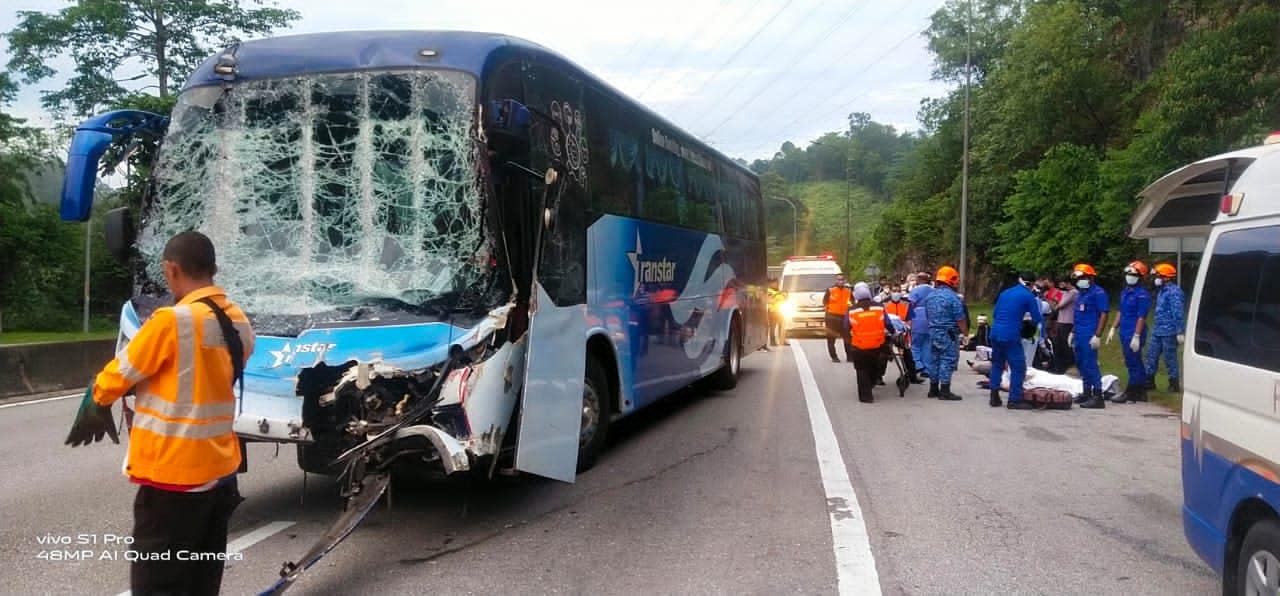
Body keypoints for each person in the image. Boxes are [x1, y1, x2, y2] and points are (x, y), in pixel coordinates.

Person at [65, 231, 253, 596]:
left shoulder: (172, 321)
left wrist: (96, 397)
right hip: (219, 473)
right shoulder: (238, 321)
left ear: (171, 270)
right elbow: (202, 373)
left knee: (158, 584)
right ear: (213, 269)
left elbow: (122, 372)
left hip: (173, 478)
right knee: (201, 582)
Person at [988, 272, 1045, 410]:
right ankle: (1014, 399)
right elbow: (1037, 318)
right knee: (1018, 367)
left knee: (997, 364)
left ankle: (994, 396)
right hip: (1011, 334)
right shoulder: (1028, 295)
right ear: (1032, 284)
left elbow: (995, 314)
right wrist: (1027, 324)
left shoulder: (1005, 293)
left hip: (995, 331)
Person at [1110, 261, 1153, 403]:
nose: (1129, 277)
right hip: (1125, 331)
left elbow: (1141, 316)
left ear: (1140, 277)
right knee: (1134, 361)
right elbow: (1120, 311)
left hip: (1134, 332)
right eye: (1128, 274)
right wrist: (1113, 327)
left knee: (1133, 362)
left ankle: (1132, 392)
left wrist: (1137, 335)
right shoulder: (1125, 292)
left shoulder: (1142, 295)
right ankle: (1141, 391)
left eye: (1133, 275)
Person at [1069, 263, 1111, 409]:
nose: (1079, 281)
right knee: (1080, 362)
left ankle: (1098, 395)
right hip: (1079, 333)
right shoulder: (1081, 293)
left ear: (1090, 278)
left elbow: (1104, 314)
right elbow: (1078, 314)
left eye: (1082, 278)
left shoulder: (1098, 293)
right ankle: (1086, 392)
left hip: (1089, 333)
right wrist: (1073, 331)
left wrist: (1098, 335)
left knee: (1090, 363)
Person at [923, 266, 968, 400]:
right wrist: (965, 333)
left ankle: (933, 389)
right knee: (947, 360)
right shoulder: (953, 298)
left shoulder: (930, 297)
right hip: (948, 334)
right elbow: (960, 319)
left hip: (932, 332)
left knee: (934, 360)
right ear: (952, 280)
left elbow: (927, 316)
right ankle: (945, 391)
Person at [848, 286, 893, 403]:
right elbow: (888, 323)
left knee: (862, 370)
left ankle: (866, 396)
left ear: (856, 296)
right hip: (877, 344)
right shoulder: (879, 307)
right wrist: (893, 332)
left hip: (859, 345)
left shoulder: (851, 310)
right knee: (873, 367)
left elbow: (845, 326)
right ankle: (872, 383)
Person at [1145, 263, 1186, 392]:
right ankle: (1149, 381)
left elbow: (1178, 313)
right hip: (1157, 330)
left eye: (1158, 276)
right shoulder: (1161, 291)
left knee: (1170, 358)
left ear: (1166, 277)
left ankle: (1174, 384)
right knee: (1151, 356)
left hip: (1169, 331)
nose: (1155, 279)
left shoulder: (1174, 292)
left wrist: (1180, 331)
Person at [879, 285, 921, 384]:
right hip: (888, 332)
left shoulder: (907, 304)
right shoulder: (883, 304)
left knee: (907, 354)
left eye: (898, 291)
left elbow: (909, 319)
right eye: (894, 291)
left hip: (902, 331)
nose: (896, 293)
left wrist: (906, 329)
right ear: (890, 292)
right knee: (883, 355)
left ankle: (912, 376)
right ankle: (878, 377)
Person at [823, 274, 854, 363]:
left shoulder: (848, 291)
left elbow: (853, 302)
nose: (840, 281)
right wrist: (828, 312)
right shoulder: (830, 290)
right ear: (836, 280)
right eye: (839, 279)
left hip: (844, 317)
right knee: (831, 339)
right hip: (832, 317)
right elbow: (825, 302)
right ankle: (834, 357)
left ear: (845, 280)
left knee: (847, 338)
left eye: (842, 279)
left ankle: (849, 356)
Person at [908, 272, 934, 377]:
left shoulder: (915, 290)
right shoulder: (933, 290)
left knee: (915, 344)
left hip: (917, 318)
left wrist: (908, 320)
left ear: (919, 280)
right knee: (927, 345)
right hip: (931, 318)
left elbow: (911, 305)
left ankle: (918, 365)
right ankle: (927, 369)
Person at [1051, 276, 1078, 374]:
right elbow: (1054, 304)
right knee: (1058, 345)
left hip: (1068, 322)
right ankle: (1059, 367)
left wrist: (1056, 302)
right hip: (1061, 321)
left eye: (1061, 283)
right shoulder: (1065, 293)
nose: (1060, 286)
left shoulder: (1073, 293)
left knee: (1066, 345)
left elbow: (1060, 305)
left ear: (1067, 283)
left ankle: (1069, 365)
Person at [767, 282, 787, 347]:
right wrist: (778, 293)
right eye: (774, 283)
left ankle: (782, 341)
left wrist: (785, 296)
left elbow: (784, 300)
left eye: (777, 283)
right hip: (773, 311)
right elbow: (769, 300)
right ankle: (772, 341)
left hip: (780, 311)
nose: (776, 285)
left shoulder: (778, 291)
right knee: (773, 327)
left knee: (782, 326)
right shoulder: (769, 291)